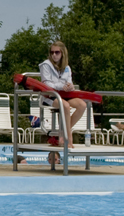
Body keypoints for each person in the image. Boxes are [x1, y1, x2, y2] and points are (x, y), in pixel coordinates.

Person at [38, 41, 88, 171]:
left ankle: (63, 132)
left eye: (57, 52)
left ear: (62, 53)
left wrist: (70, 86)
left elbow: (69, 82)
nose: (54, 55)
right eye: (52, 52)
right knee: (65, 106)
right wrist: (62, 86)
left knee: (82, 105)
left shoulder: (67, 67)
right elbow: (47, 84)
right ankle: (67, 138)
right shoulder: (45, 65)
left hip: (64, 94)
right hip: (50, 96)